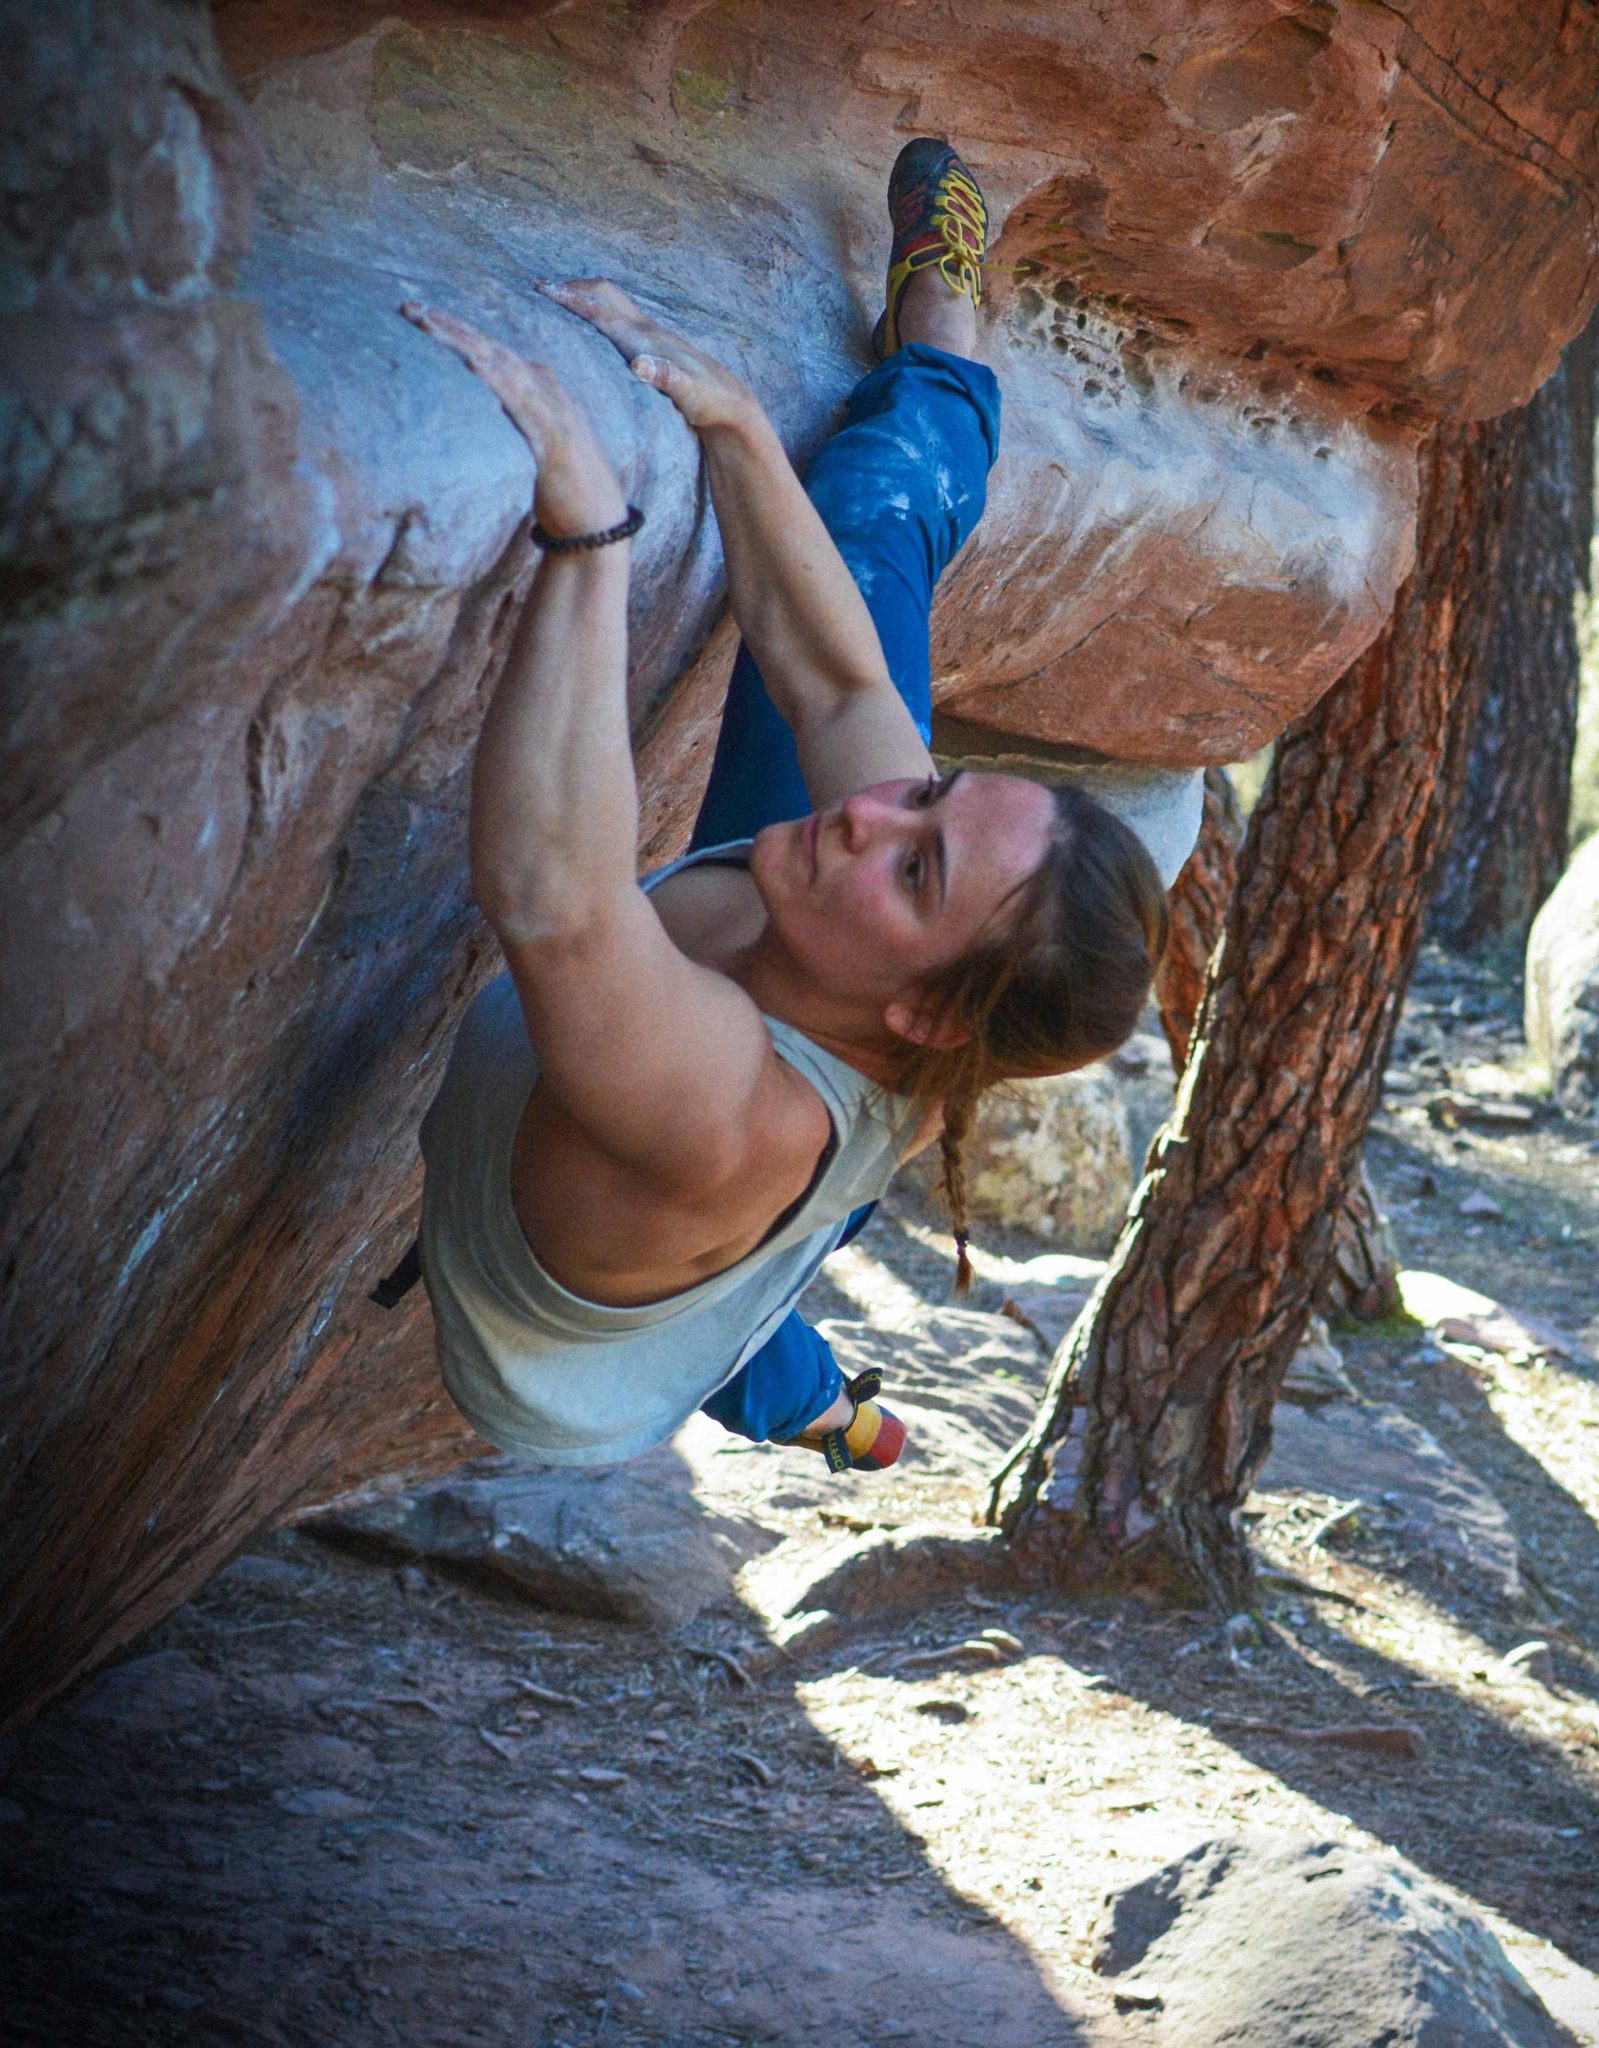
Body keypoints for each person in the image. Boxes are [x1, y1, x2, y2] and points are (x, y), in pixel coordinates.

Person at [401, 142, 1166, 1478]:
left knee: (756, 1349)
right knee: (873, 524)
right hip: (821, 1046)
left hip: (591, 1358)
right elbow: (836, 679)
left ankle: (833, 1418)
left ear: (928, 1012)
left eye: (920, 870)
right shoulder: (878, 915)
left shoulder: (729, 1121)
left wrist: (589, 539)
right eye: (932, 793)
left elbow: (560, 906)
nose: (873, 816)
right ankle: (944, 343)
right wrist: (736, 424)